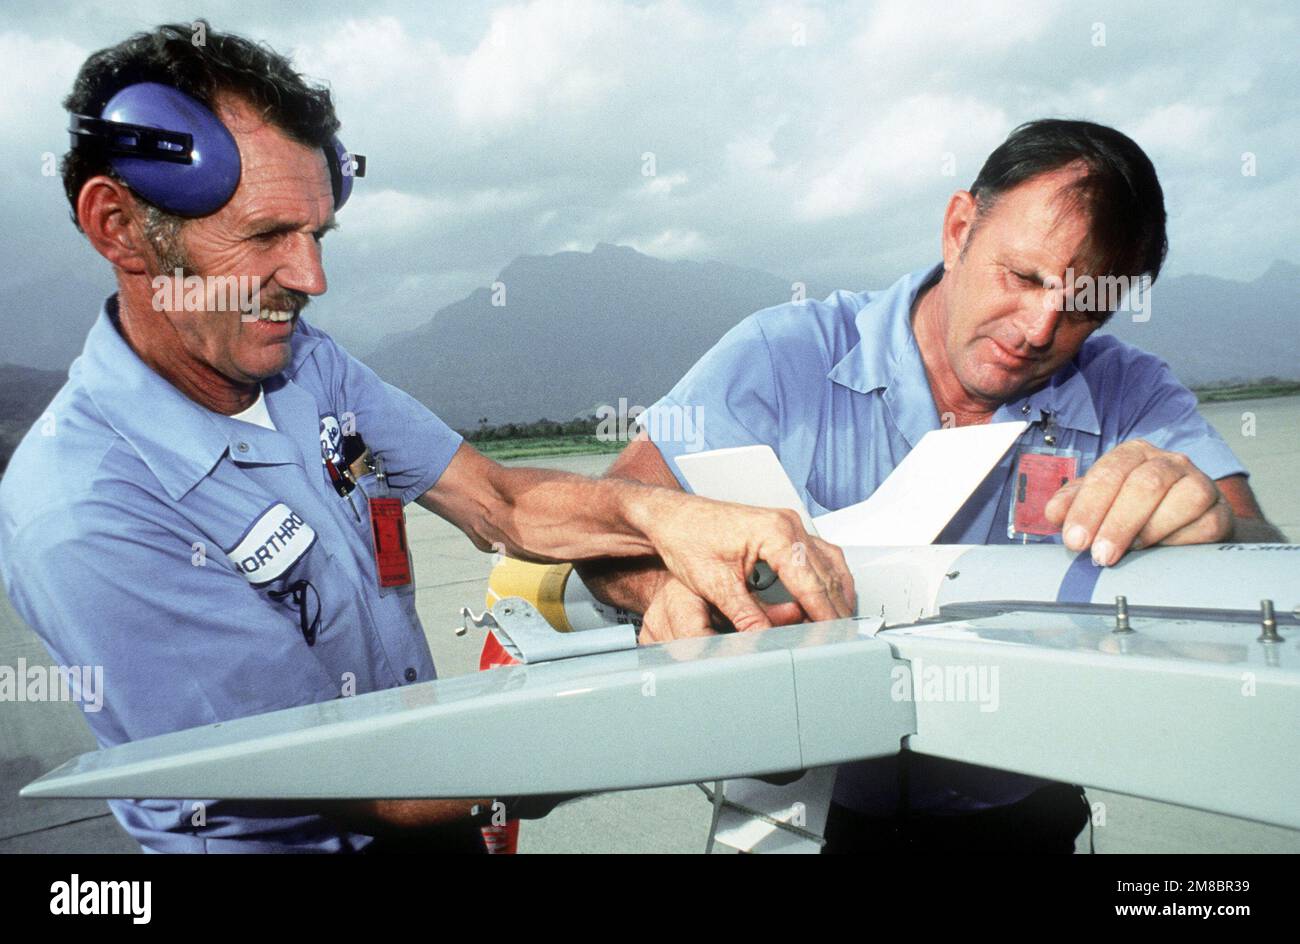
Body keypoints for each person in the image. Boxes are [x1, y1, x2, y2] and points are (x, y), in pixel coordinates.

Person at [0, 22, 853, 854]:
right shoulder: (86, 509)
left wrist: (674, 519)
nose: (311, 280)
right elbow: (360, 783)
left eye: (316, 236)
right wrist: (681, 711)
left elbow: (498, 499)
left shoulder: (304, 366)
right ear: (117, 225)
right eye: (265, 237)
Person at [578, 118, 1285, 853]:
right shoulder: (781, 356)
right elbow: (605, 528)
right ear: (958, 229)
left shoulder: (1130, 394)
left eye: (1083, 308)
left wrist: (1221, 530)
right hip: (801, 818)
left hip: (1023, 814)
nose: (1040, 329)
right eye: (1023, 278)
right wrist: (667, 588)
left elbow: (1267, 565)